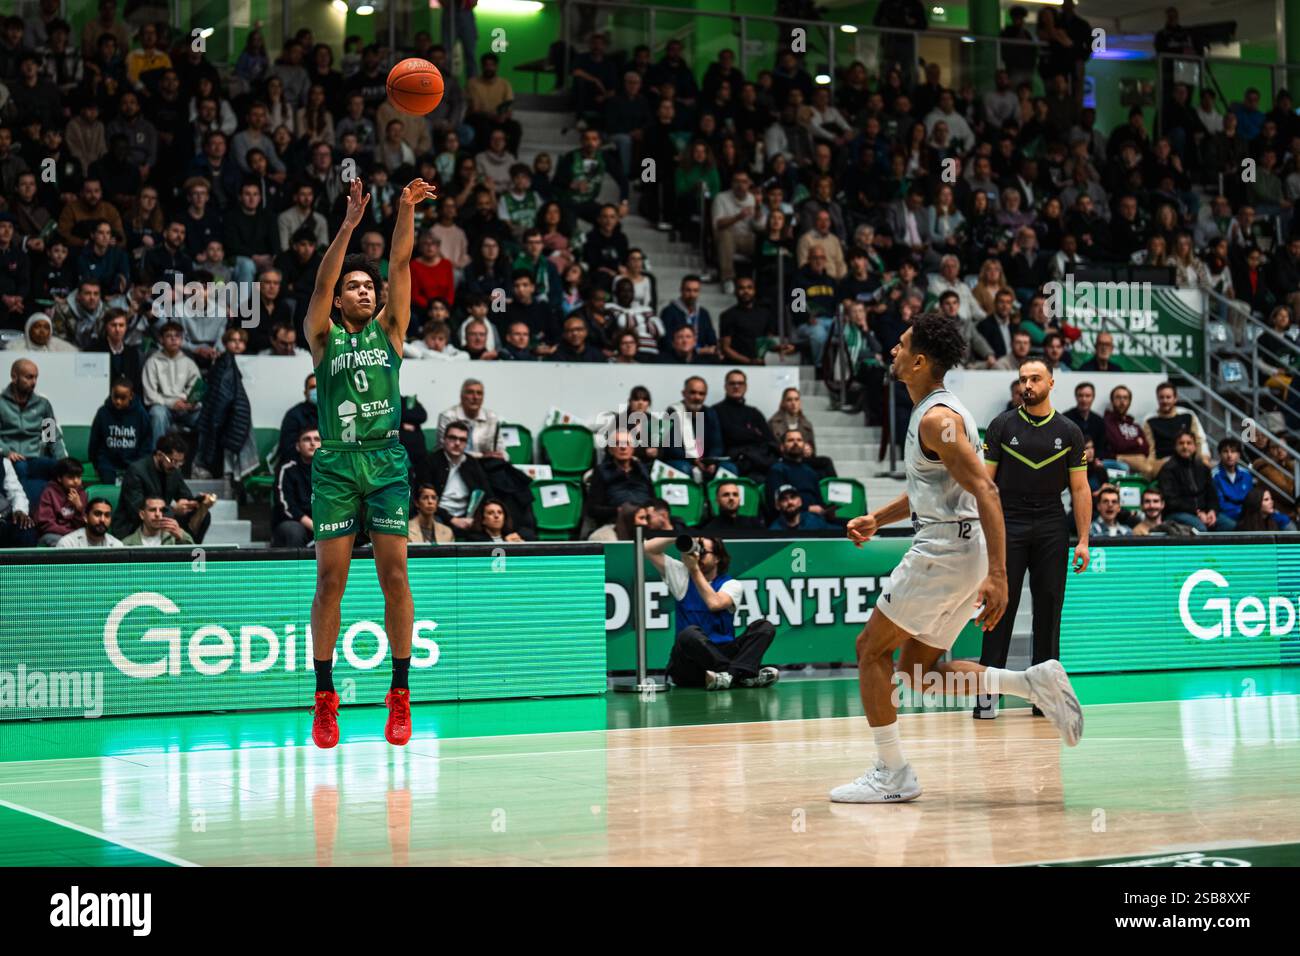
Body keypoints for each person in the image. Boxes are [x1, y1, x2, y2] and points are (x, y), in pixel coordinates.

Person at [831, 311, 1082, 804]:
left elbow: (988, 489)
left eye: (901, 346)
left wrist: (1000, 576)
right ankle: (1031, 683)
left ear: (920, 361)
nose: (893, 352)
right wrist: (877, 519)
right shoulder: (942, 413)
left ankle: (893, 772)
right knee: (916, 673)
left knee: (870, 650)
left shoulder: (937, 419)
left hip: (945, 550)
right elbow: (938, 487)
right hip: (957, 547)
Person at [302, 175, 434, 750]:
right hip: (335, 464)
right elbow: (321, 278)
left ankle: (399, 692)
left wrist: (405, 210)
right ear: (338, 298)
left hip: (384, 462)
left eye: (367, 285)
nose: (361, 290)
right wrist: (350, 225)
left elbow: (401, 262)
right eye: (352, 285)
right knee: (330, 582)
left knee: (395, 576)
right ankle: (325, 697)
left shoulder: (392, 332)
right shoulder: (322, 336)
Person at [976, 358, 1092, 718]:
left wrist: (1084, 539)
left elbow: (1080, 487)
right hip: (1007, 520)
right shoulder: (1001, 425)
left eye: (1035, 379)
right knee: (999, 609)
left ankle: (1043, 698)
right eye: (1023, 379)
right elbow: (984, 484)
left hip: (1051, 523)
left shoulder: (1070, 431)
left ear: (1051, 383)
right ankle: (986, 699)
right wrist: (984, 535)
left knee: (1048, 610)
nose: (1027, 385)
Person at [644, 533, 779, 690]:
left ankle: (729, 675)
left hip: (722, 653)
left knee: (764, 627)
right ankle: (741, 675)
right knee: (689, 634)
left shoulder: (731, 585)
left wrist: (695, 570)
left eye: (703, 552)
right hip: (690, 664)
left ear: (717, 558)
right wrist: (681, 535)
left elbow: (714, 603)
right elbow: (647, 549)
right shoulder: (681, 576)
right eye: (696, 550)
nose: (698, 555)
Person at [1157, 429, 1220, 532]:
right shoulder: (1168, 469)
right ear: (1175, 446)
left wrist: (1212, 511)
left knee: (1230, 526)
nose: (1185, 446)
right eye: (1181, 443)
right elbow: (1171, 501)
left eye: (1189, 443)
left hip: (1204, 513)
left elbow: (1212, 495)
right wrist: (1197, 512)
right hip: (1177, 513)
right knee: (1201, 529)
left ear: (1195, 446)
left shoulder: (1203, 468)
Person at [271, 427, 319, 547]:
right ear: (298, 446)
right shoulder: (287, 469)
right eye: (307, 439)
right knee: (293, 530)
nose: (312, 443)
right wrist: (315, 527)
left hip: (325, 525)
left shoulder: (331, 470)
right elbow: (286, 506)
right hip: (296, 523)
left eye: (317, 439)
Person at [34, 457, 86, 546]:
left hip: (76, 535)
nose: (76, 481)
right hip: (54, 534)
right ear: (59, 478)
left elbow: (84, 524)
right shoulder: (49, 492)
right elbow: (46, 524)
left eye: (79, 477)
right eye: (71, 477)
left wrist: (79, 507)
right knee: (62, 543)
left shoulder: (81, 493)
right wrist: (70, 534)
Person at [277, 375, 319, 467]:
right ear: (305, 392)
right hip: (300, 469)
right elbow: (288, 449)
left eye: (320, 386)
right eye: (312, 387)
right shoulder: (294, 415)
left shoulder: (332, 414)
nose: (317, 390)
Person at [1211, 437, 1250, 532]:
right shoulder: (1214, 475)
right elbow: (1220, 503)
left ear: (1239, 455)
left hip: (1245, 514)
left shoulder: (1246, 474)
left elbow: (1250, 500)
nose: (1229, 455)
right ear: (1220, 454)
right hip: (1224, 515)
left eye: (1233, 451)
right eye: (1225, 451)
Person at [121, 495, 195, 546]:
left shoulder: (176, 535)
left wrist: (180, 538)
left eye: (161, 510)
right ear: (142, 515)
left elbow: (194, 560)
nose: (157, 514)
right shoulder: (127, 544)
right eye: (152, 510)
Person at [55, 495, 122, 547]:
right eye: (97, 514)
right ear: (85, 517)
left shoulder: (117, 546)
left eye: (107, 515)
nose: (102, 519)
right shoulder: (67, 544)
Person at [1064, 381, 1107, 457]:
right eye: (1080, 395)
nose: (1084, 399)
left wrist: (1095, 456)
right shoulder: (1065, 419)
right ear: (1076, 397)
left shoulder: (1099, 421)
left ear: (1093, 397)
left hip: (1093, 462)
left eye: (1088, 396)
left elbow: (1102, 447)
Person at [769, 484, 835, 533]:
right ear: (777, 505)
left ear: (800, 501)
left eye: (793, 497)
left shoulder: (814, 520)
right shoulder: (774, 530)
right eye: (784, 499)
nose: (790, 502)